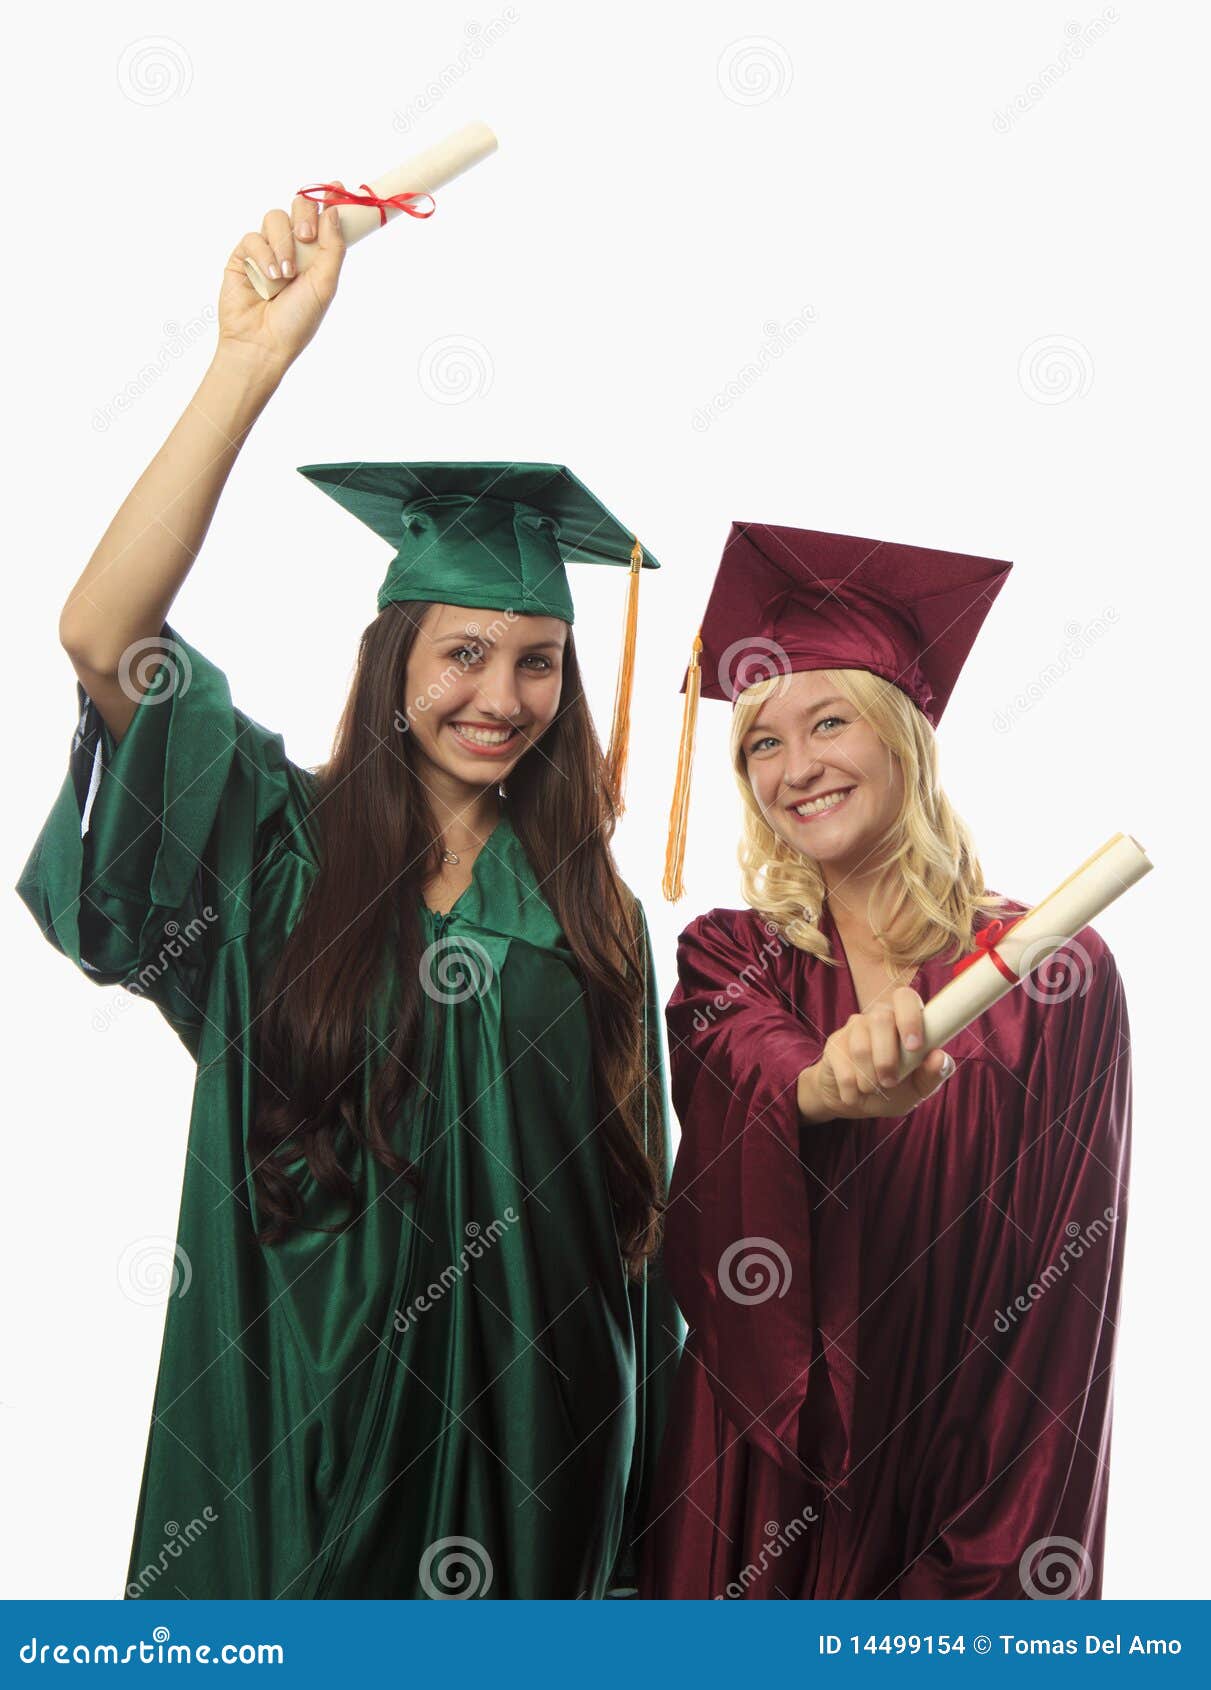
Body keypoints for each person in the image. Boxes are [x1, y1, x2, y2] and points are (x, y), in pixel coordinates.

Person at [16, 190, 682, 1599]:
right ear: (394, 659)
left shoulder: (591, 919)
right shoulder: (276, 848)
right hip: (293, 1445)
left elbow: (638, 1227)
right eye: (460, 654)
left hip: (532, 1463)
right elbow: (102, 632)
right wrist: (247, 363)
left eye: (535, 662)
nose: (498, 698)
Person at [639, 521, 1131, 1599]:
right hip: (751, 1476)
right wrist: (829, 1085)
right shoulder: (732, 954)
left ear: (902, 738)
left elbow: (1063, 1304)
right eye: (760, 743)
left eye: (827, 722)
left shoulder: (1051, 975)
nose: (795, 766)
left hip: (964, 1475)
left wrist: (994, 1562)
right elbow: (749, 1068)